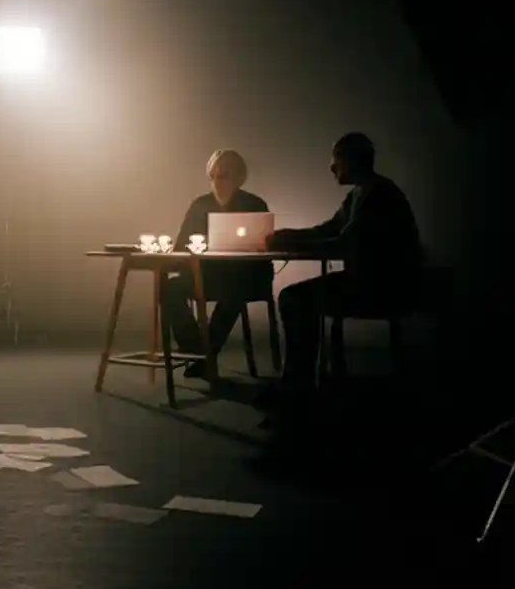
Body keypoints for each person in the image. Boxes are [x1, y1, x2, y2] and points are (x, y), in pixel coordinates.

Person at [267, 132, 421, 399]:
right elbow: (329, 229)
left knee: (294, 298)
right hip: (369, 281)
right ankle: (300, 382)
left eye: (336, 157)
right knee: (297, 297)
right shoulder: (363, 192)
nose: (331, 165)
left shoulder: (377, 195)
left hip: (382, 288)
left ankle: (298, 385)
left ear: (352, 159)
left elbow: (344, 242)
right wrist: (287, 235)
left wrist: (290, 243)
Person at [162, 149, 274, 379]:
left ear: (239, 178)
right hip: (207, 275)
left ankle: (205, 354)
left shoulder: (254, 203)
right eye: (213, 176)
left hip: (246, 278)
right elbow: (182, 245)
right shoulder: (199, 205)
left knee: (234, 290)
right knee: (169, 287)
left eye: (224, 176)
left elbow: (264, 249)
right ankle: (197, 350)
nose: (217, 182)